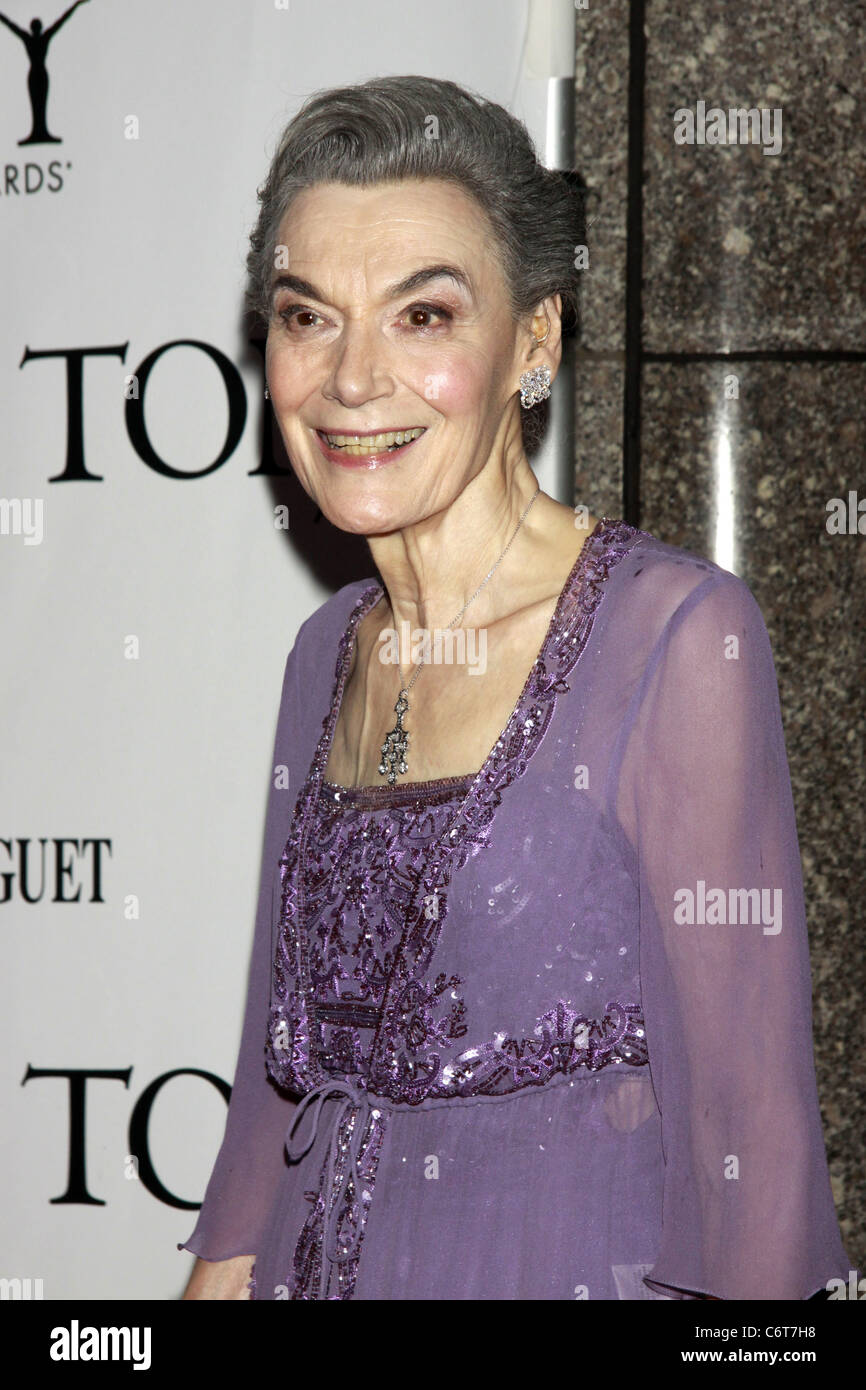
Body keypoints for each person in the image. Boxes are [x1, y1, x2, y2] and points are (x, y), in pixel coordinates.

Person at [179, 75, 853, 1300]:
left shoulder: (672, 637)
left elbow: (751, 1158)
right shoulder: (321, 654)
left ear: (533, 340)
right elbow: (260, 1124)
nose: (350, 379)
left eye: (422, 316)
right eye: (307, 316)